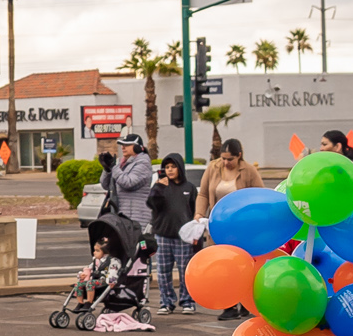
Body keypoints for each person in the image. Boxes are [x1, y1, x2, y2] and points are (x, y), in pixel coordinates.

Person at [194, 136, 265, 319]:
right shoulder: (213, 168)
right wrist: (199, 214)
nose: (226, 162)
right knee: (223, 265)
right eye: (223, 158)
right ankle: (230, 305)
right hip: (218, 226)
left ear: (239, 156)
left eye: (230, 159)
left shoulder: (248, 171)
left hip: (242, 227)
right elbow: (202, 194)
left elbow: (260, 196)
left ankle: (246, 302)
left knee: (243, 263)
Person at [147, 152, 196, 313]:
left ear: (180, 168)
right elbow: (152, 203)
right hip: (162, 235)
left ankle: (187, 301)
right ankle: (166, 302)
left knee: (185, 272)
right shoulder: (160, 187)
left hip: (184, 237)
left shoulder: (189, 188)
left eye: (173, 166)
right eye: (166, 167)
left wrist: (195, 234)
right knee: (163, 272)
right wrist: (159, 186)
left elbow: (194, 211)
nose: (170, 170)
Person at [103, 130, 154, 226]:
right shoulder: (122, 163)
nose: (123, 147)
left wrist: (114, 167)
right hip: (123, 215)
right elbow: (105, 185)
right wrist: (107, 169)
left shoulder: (143, 163)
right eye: (122, 144)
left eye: (127, 145)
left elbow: (128, 182)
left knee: (136, 241)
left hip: (137, 218)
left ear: (138, 147)